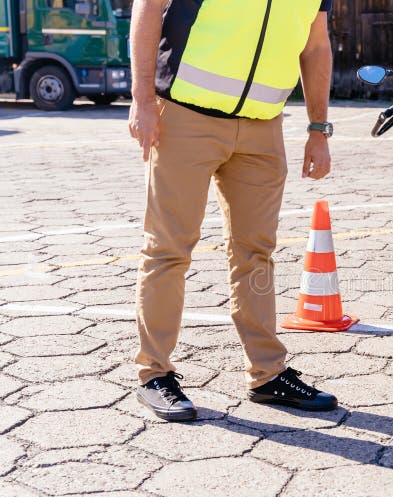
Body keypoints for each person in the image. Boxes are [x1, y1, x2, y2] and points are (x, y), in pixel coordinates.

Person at [128, 0, 338, 422]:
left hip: (263, 127)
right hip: (184, 117)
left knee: (256, 252)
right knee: (168, 249)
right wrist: (143, 100)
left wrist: (318, 129)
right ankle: (155, 374)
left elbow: (316, 45)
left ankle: (267, 374)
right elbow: (148, 7)